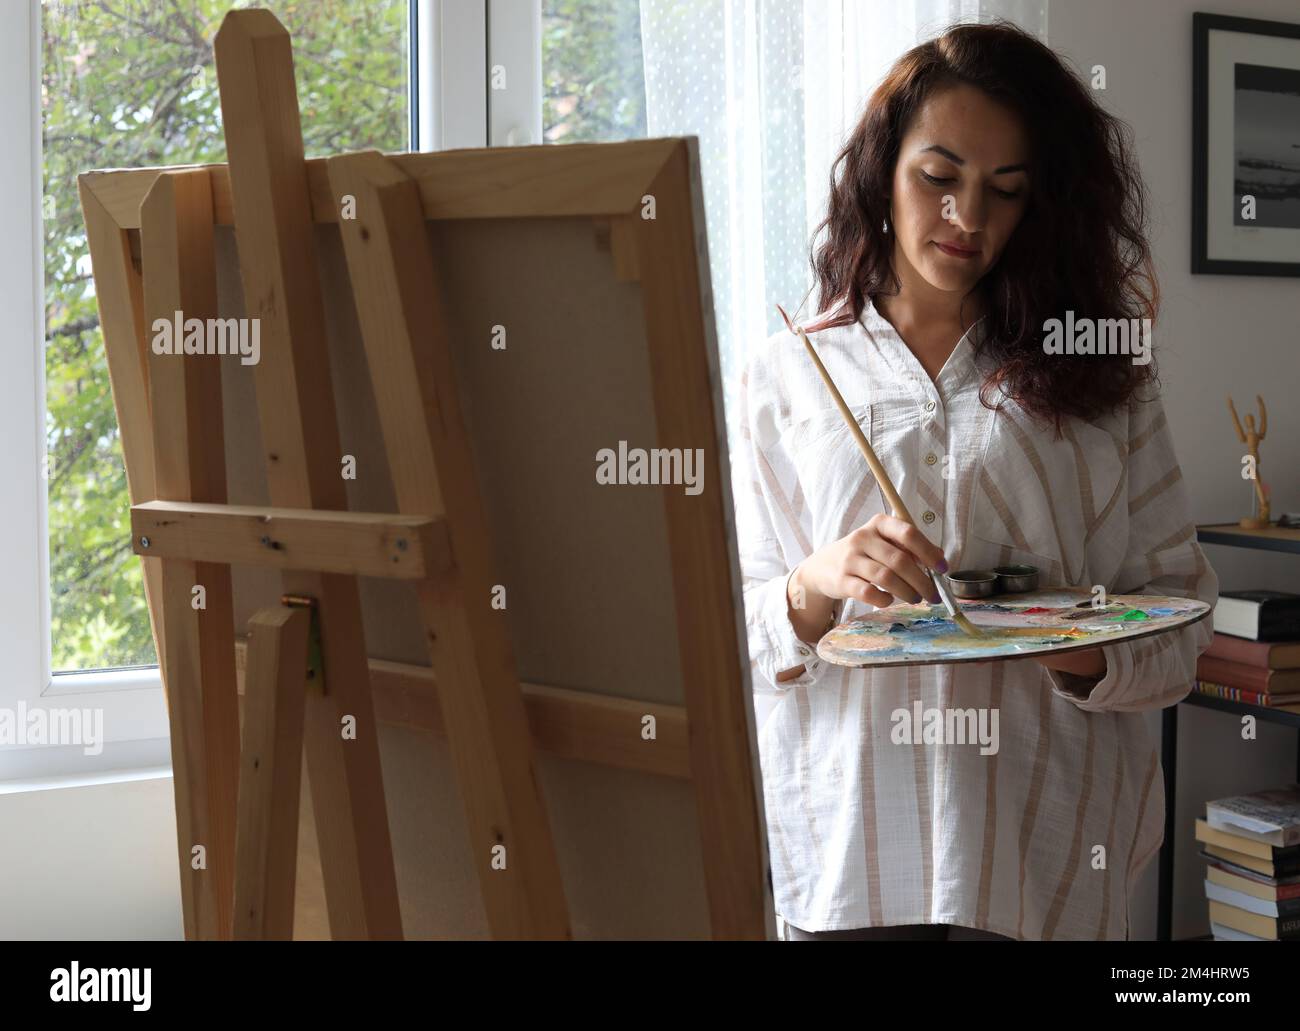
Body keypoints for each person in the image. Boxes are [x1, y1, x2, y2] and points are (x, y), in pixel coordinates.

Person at [734, 21, 1218, 941]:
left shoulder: (1102, 373)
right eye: (938, 176)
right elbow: (727, 635)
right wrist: (813, 584)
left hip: (1045, 852)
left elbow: (1181, 620)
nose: (966, 218)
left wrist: (1073, 648)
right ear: (883, 172)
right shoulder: (788, 372)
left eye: (1005, 191)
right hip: (852, 858)